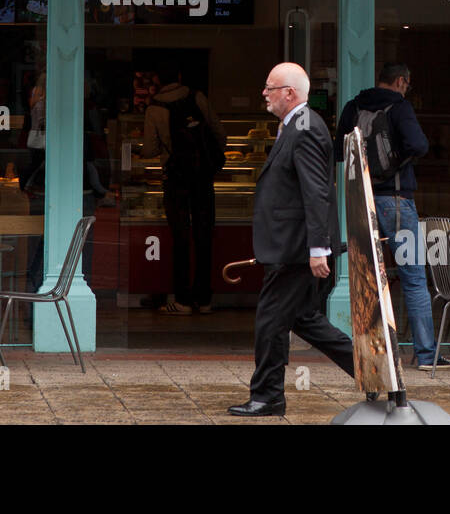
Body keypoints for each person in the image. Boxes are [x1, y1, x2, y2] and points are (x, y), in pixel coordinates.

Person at [229, 61, 356, 417]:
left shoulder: (305, 128)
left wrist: (318, 249)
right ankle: (371, 372)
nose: (264, 94)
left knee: (270, 321)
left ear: (289, 93)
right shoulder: (296, 126)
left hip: (296, 251)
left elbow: (316, 193)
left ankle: (267, 396)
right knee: (304, 319)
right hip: (291, 247)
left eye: (270, 88)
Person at [334, 62, 450, 371]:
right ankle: (426, 356)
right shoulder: (400, 107)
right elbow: (419, 145)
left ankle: (374, 353)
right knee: (413, 278)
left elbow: (339, 150)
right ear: (401, 81)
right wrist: (393, 165)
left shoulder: (353, 106)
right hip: (396, 203)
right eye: (407, 84)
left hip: (361, 200)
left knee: (369, 278)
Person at [142, 60, 226, 315]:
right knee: (203, 236)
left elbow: (149, 150)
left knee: (180, 239)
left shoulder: (154, 108)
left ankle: (182, 300)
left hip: (175, 178)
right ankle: (204, 299)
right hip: (202, 178)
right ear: (179, 75)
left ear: (158, 81)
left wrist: (165, 147)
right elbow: (220, 134)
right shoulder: (197, 97)